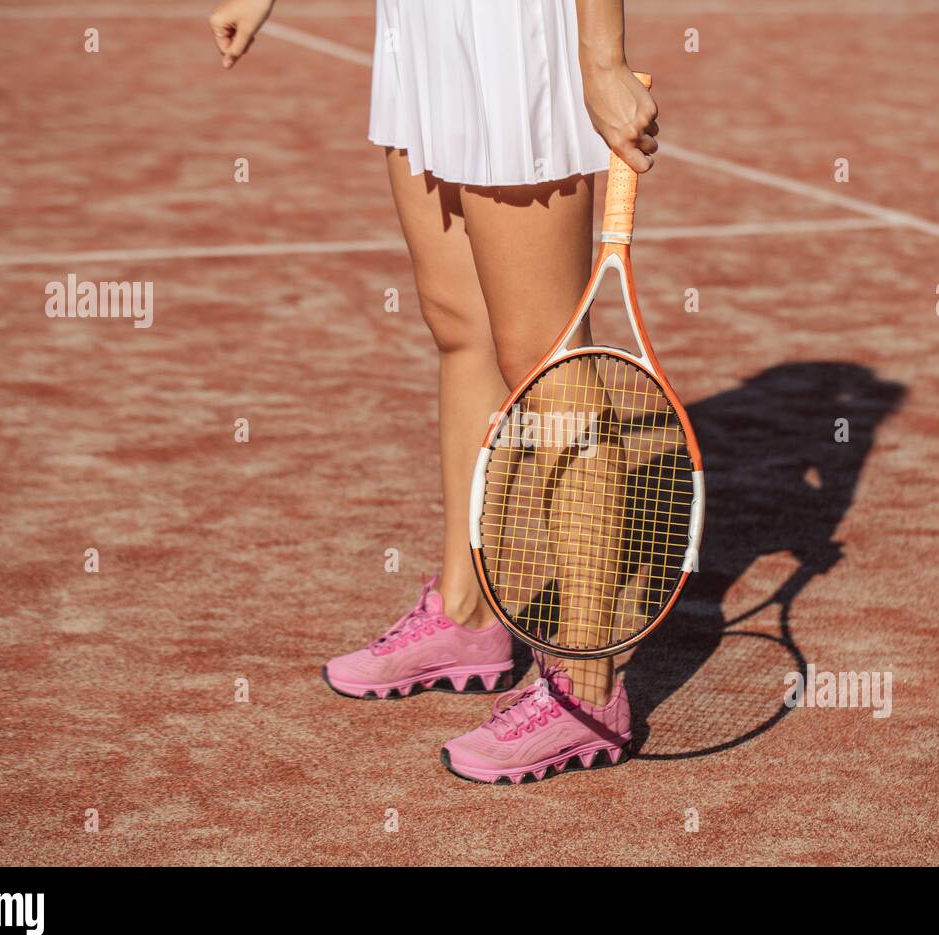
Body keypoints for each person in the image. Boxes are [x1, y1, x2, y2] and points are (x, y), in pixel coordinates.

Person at [209, 0, 659, 783]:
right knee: (461, 324)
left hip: (513, 31)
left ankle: (589, 691)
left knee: (544, 356)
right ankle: (469, 612)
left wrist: (602, 57)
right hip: (420, 22)